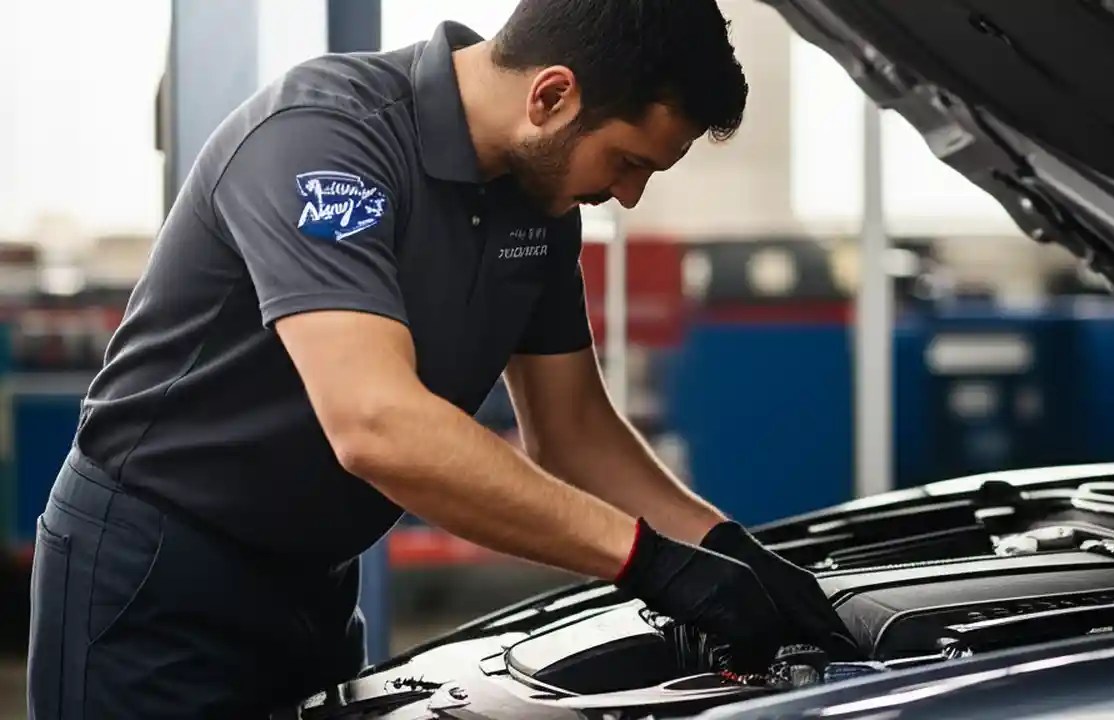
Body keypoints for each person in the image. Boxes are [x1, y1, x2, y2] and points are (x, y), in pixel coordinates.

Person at [27, 1, 852, 716]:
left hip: (313, 584)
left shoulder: (541, 202)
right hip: (156, 576)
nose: (629, 196)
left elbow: (573, 431)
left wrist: (727, 550)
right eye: (629, 162)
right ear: (552, 95)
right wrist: (648, 563)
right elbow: (377, 426)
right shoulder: (326, 139)